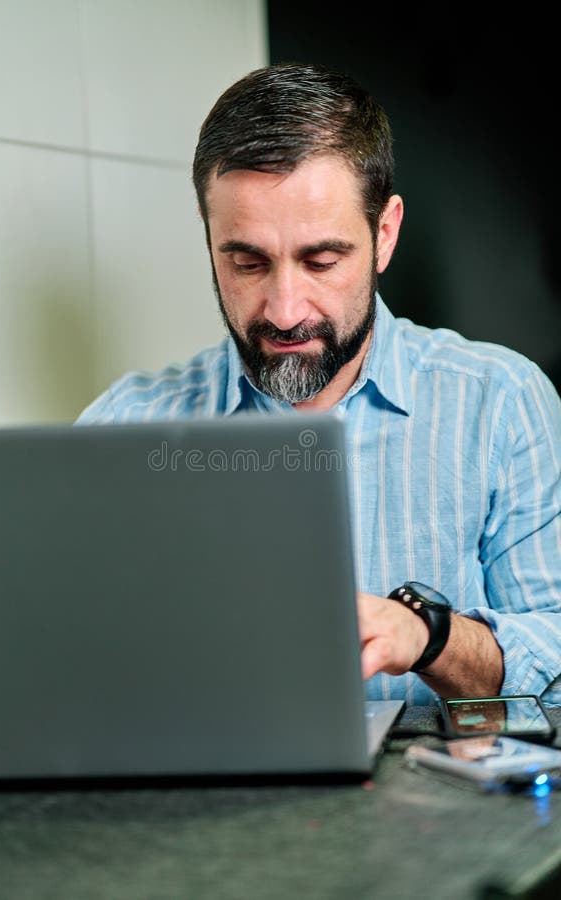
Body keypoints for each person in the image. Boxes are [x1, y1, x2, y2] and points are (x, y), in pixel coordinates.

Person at [77, 63, 561, 707]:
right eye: (246, 262)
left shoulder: (499, 402)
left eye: (321, 261)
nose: (283, 309)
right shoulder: (127, 424)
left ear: (384, 233)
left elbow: (556, 658)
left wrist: (430, 637)